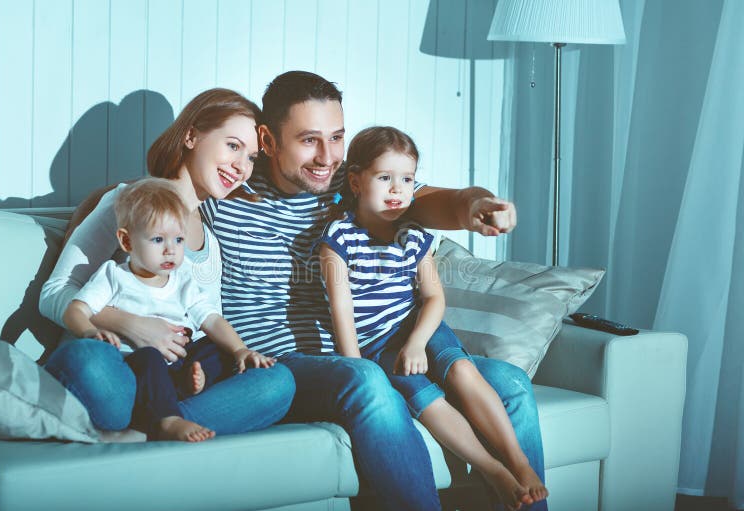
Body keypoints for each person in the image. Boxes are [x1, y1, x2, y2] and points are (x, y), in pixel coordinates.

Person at [200, 71, 545, 511]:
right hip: (284, 365)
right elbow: (146, 211)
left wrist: (477, 204)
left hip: (372, 348)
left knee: (511, 382)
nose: (327, 157)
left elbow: (436, 199)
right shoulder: (227, 190)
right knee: (368, 379)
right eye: (309, 140)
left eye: (336, 138)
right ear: (267, 140)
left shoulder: (351, 183)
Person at [40, 88, 295, 436]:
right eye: (233, 146)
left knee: (278, 381)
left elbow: (204, 320)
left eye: (251, 157)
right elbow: (53, 293)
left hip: (167, 380)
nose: (241, 167)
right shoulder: (127, 201)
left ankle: (156, 422)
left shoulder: (211, 242)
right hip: (113, 369)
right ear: (191, 136)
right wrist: (131, 324)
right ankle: (158, 421)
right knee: (87, 361)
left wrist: (221, 360)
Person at [318, 126, 548, 510]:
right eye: (385, 178)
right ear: (356, 182)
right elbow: (341, 311)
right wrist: (358, 368)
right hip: (376, 347)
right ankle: (493, 470)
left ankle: (519, 463)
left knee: (462, 370)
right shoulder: (339, 239)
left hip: (419, 328)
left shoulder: (412, 235)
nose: (398, 189)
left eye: (407, 179)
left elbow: (434, 298)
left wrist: (416, 342)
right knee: (428, 401)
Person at [62, 178, 277, 442]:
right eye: (158, 239)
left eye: (178, 240)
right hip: (133, 367)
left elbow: (211, 319)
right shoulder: (114, 276)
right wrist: (89, 331)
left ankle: (183, 390)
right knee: (150, 357)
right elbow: (75, 310)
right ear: (127, 241)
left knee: (215, 348)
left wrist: (240, 349)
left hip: (175, 366)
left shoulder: (183, 281)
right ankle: (167, 419)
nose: (170, 250)